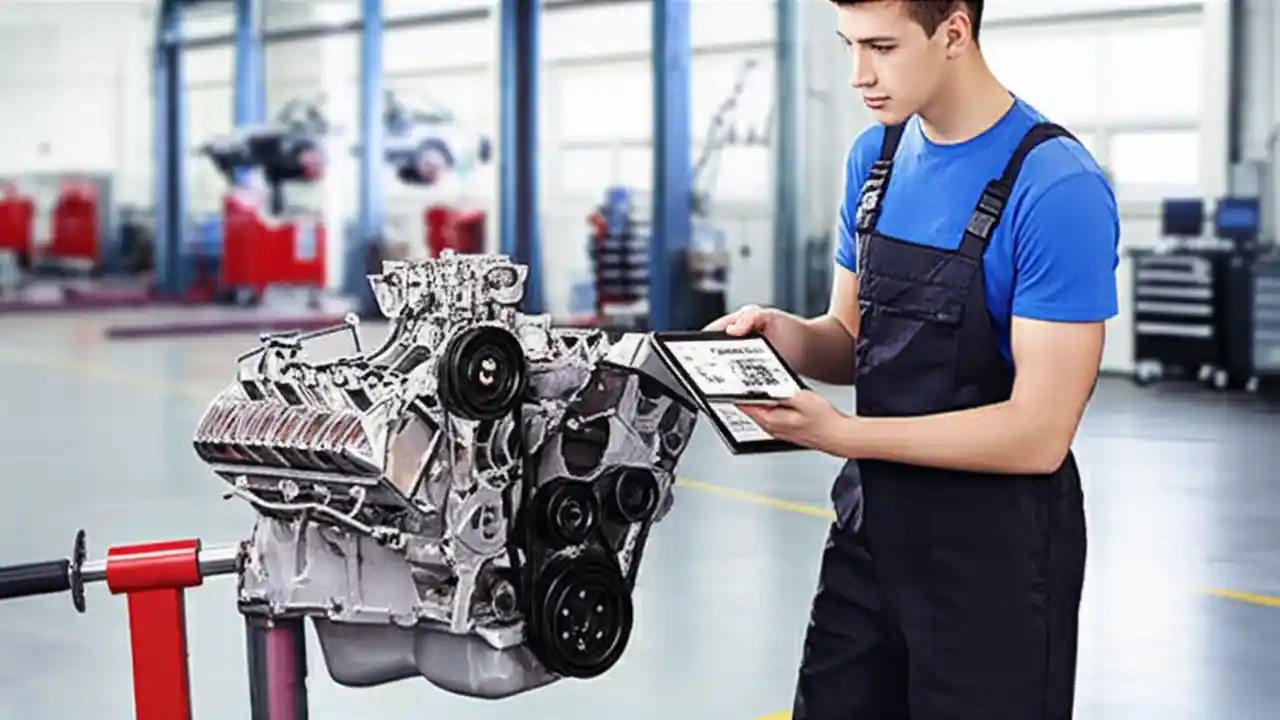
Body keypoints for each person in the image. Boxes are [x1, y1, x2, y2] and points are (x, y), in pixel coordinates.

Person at [703, 1, 1118, 718]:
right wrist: (781, 335)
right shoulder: (876, 159)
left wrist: (842, 435)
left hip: (997, 562)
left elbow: (1039, 434)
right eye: (848, 46)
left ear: (954, 32)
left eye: (882, 47)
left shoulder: (1056, 188)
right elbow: (848, 336)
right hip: (871, 538)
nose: (859, 74)